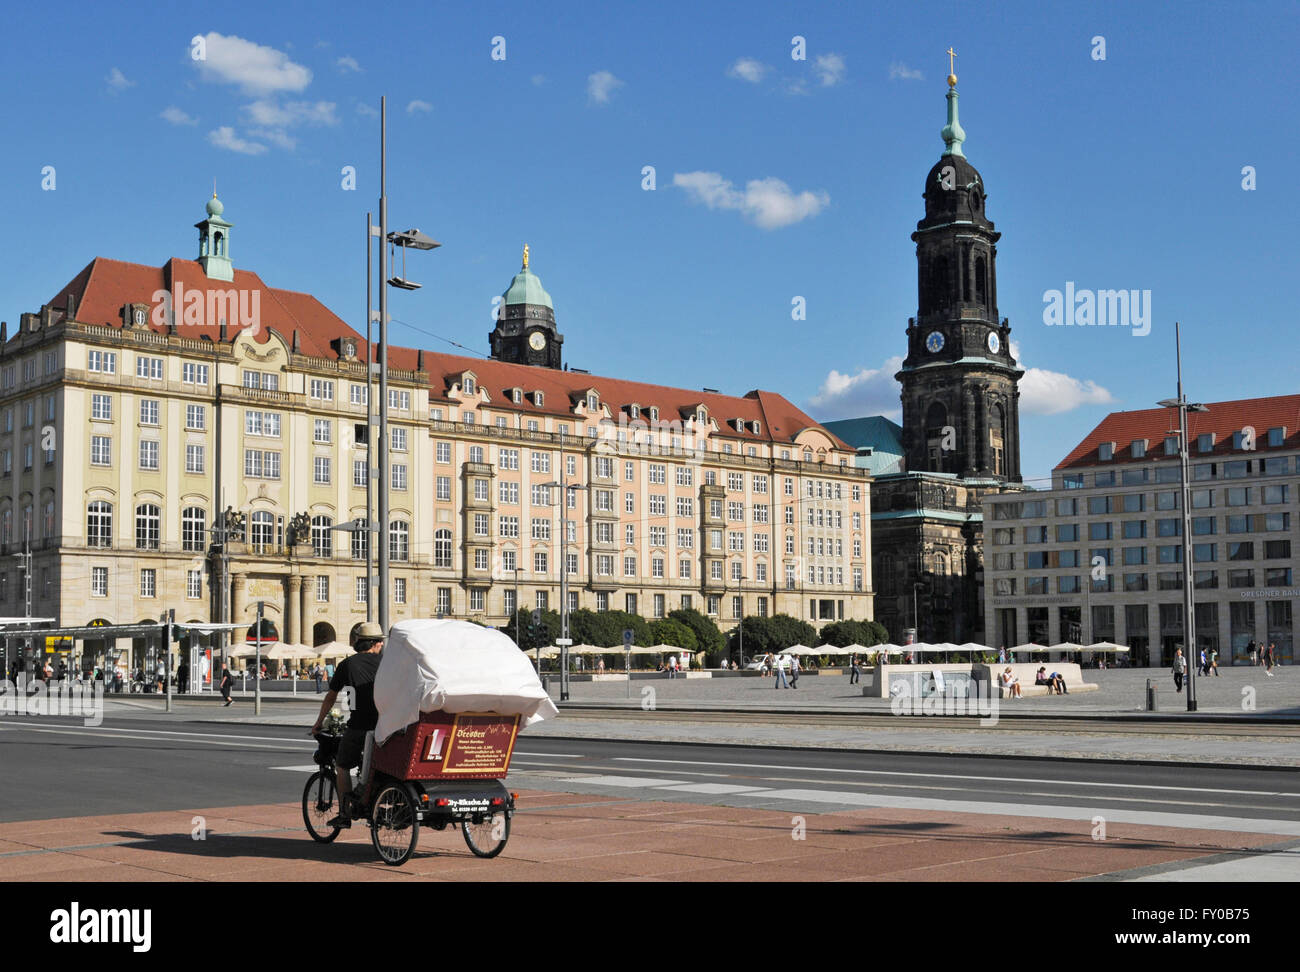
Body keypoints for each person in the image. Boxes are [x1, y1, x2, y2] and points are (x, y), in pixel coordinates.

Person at [311, 621, 384, 828]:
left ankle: (344, 813)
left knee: (342, 766)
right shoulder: (386, 664)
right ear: (377, 644)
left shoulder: (347, 665)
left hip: (359, 726)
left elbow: (331, 697)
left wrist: (318, 723)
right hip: (385, 728)